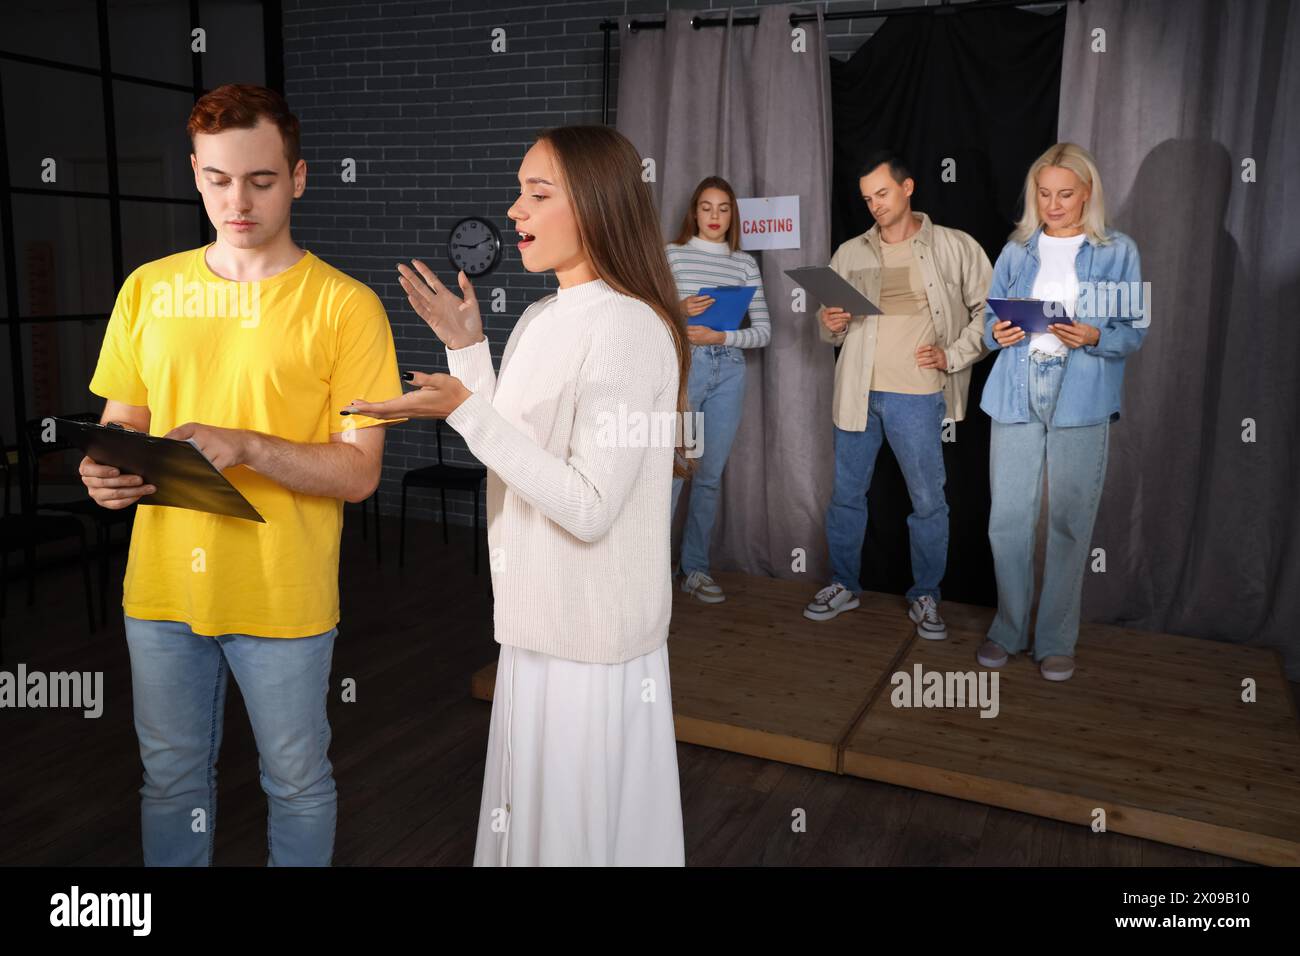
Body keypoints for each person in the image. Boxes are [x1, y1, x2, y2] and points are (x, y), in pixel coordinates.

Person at [80, 84, 407, 865]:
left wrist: (252, 446)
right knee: (169, 783)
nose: (238, 200)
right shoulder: (148, 289)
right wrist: (103, 470)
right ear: (196, 174)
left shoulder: (347, 308)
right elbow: (123, 424)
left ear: (298, 178)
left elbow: (361, 473)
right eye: (219, 180)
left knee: (294, 781)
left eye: (261, 180)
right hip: (160, 591)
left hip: (281, 596)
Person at [346, 125, 689, 866]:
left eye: (538, 194)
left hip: (591, 639)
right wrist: (468, 348)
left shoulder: (628, 328)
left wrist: (461, 406)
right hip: (538, 622)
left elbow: (589, 506)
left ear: (597, 206)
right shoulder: (541, 315)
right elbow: (517, 451)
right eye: (520, 191)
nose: (515, 210)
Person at [977, 142, 1146, 682]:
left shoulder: (1119, 251)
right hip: (1017, 387)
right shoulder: (1016, 250)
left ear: (1087, 193)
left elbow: (1134, 331)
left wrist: (1095, 334)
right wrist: (997, 331)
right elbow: (989, 321)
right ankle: (1007, 628)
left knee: (1071, 523)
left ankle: (1054, 640)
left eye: (1065, 194)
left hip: (1082, 392)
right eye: (1044, 194)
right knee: (1008, 519)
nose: (1053, 204)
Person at [805, 150, 991, 641]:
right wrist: (828, 324)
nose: (874, 205)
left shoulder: (955, 246)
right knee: (846, 496)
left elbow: (991, 313)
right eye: (867, 198)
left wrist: (952, 355)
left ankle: (926, 595)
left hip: (917, 394)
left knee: (928, 500)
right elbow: (832, 332)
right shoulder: (849, 252)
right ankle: (843, 584)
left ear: (907, 189)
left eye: (882, 194)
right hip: (857, 393)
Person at [665, 176, 771, 603]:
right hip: (685, 370)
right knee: (673, 473)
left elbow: (763, 332)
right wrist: (677, 308)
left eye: (723, 208)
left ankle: (695, 570)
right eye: (706, 207)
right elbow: (642, 314)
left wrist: (723, 338)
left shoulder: (744, 263)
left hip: (728, 371)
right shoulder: (672, 255)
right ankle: (652, 575)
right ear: (694, 212)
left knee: (708, 478)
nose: (714, 216)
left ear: (732, 215)